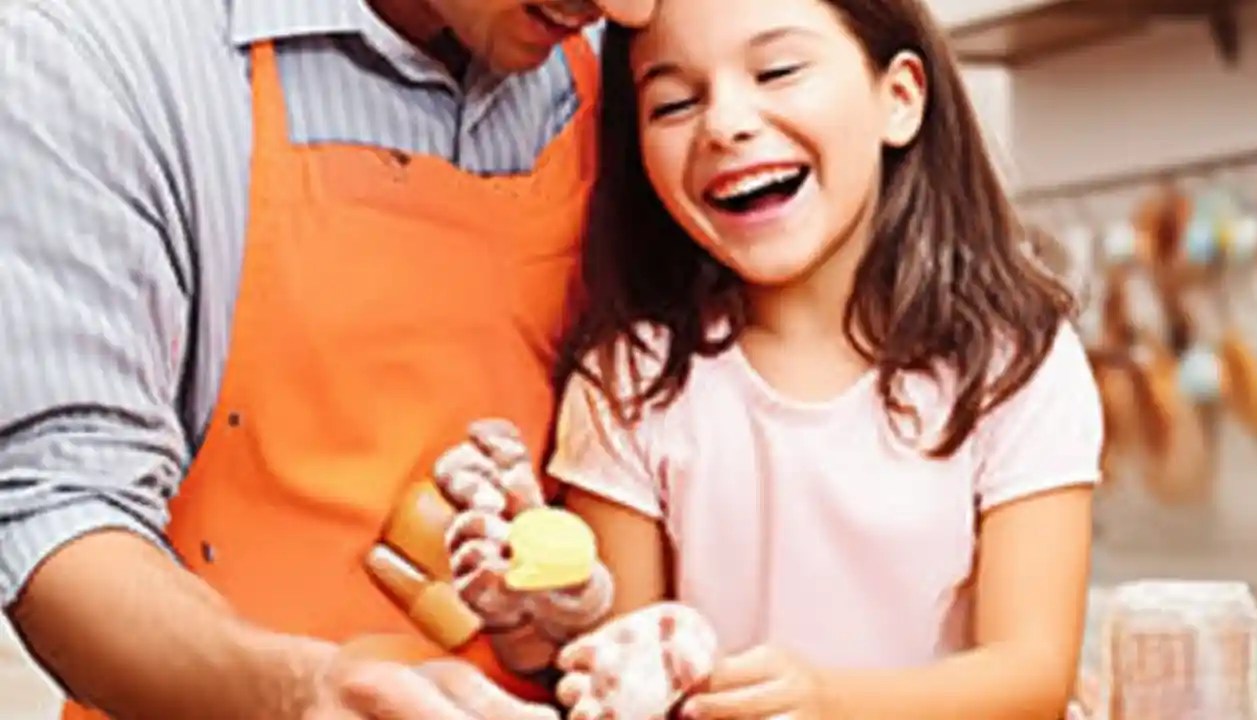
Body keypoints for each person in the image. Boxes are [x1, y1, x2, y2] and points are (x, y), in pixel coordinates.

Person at [435, 0, 1105, 717]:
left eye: (778, 70)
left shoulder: (1017, 362)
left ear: (901, 99)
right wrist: (541, 609)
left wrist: (826, 702)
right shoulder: (628, 380)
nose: (724, 124)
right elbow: (614, 669)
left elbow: (1032, 676)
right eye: (674, 102)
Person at [0, 0, 655, 718]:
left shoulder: (620, 49)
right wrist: (299, 696)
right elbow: (59, 512)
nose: (634, 8)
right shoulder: (95, 56)